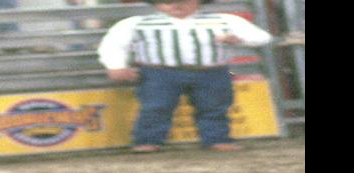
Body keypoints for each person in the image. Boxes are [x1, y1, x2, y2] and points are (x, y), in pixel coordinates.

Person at [97, 0, 272, 152]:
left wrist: (237, 38)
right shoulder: (137, 23)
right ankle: (147, 141)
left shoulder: (223, 20)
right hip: (159, 73)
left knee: (215, 106)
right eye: (167, 2)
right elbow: (113, 44)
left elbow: (262, 37)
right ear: (157, 4)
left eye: (183, 1)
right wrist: (116, 66)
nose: (176, 5)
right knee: (155, 107)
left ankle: (217, 139)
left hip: (212, 72)